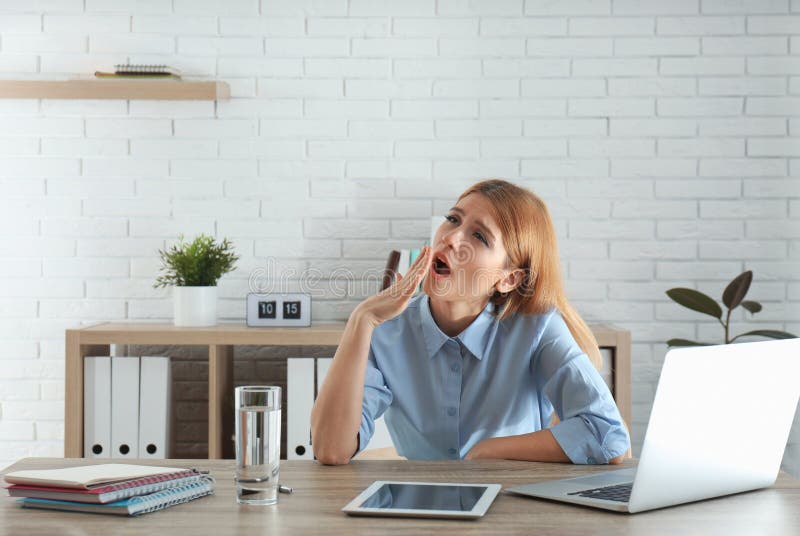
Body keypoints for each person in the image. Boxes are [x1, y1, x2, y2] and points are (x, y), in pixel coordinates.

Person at [310, 179, 630, 466]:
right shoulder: (386, 328)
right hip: (418, 508)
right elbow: (331, 450)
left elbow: (611, 439)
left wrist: (487, 451)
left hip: (514, 510)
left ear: (508, 279)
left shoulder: (538, 327)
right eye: (453, 219)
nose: (450, 238)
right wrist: (361, 320)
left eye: (478, 236)